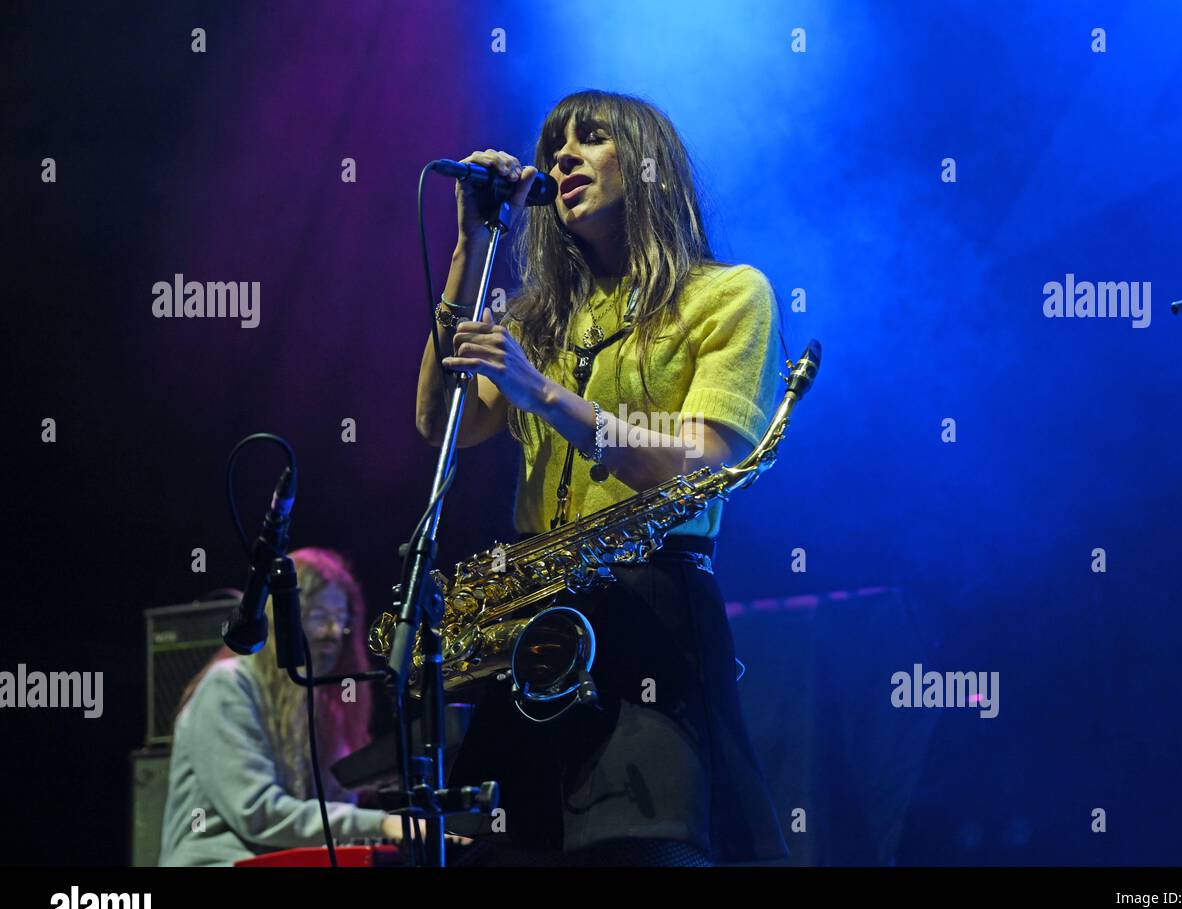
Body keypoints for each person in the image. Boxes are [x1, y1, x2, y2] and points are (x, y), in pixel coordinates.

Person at [416, 89, 789, 866]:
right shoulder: (534, 319)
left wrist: (543, 394)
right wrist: (470, 248)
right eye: (555, 146)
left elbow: (701, 461)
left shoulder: (727, 295)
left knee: (637, 848)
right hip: (534, 618)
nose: (562, 156)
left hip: (650, 607)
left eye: (590, 139)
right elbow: (440, 422)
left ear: (649, 166)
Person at [159, 547, 404, 865]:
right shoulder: (229, 687)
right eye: (319, 617)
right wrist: (382, 823)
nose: (332, 633)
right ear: (284, 618)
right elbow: (257, 811)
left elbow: (336, 805)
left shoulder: (323, 706)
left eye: (340, 620)